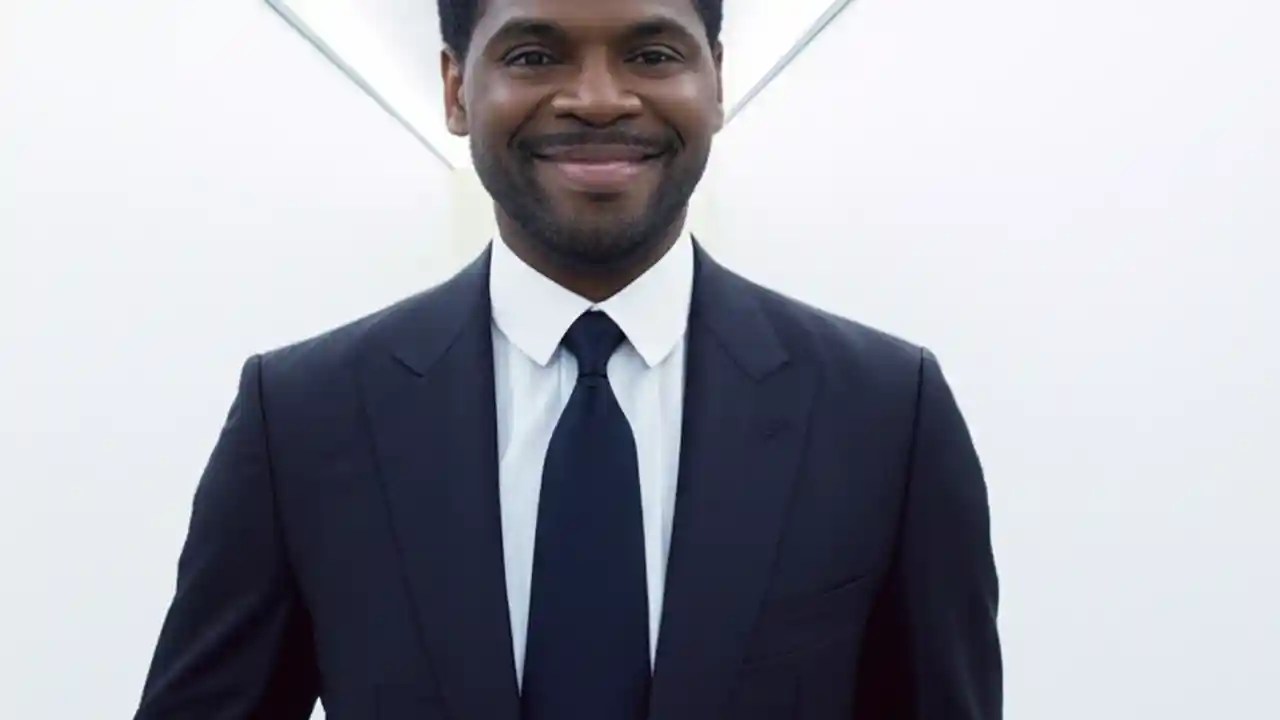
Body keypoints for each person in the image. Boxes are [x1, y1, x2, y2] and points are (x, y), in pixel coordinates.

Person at [133, 0, 1002, 717]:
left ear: (716, 81)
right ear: (456, 89)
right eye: (535, 56)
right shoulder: (303, 419)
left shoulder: (886, 414)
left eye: (652, 54)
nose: (597, 99)